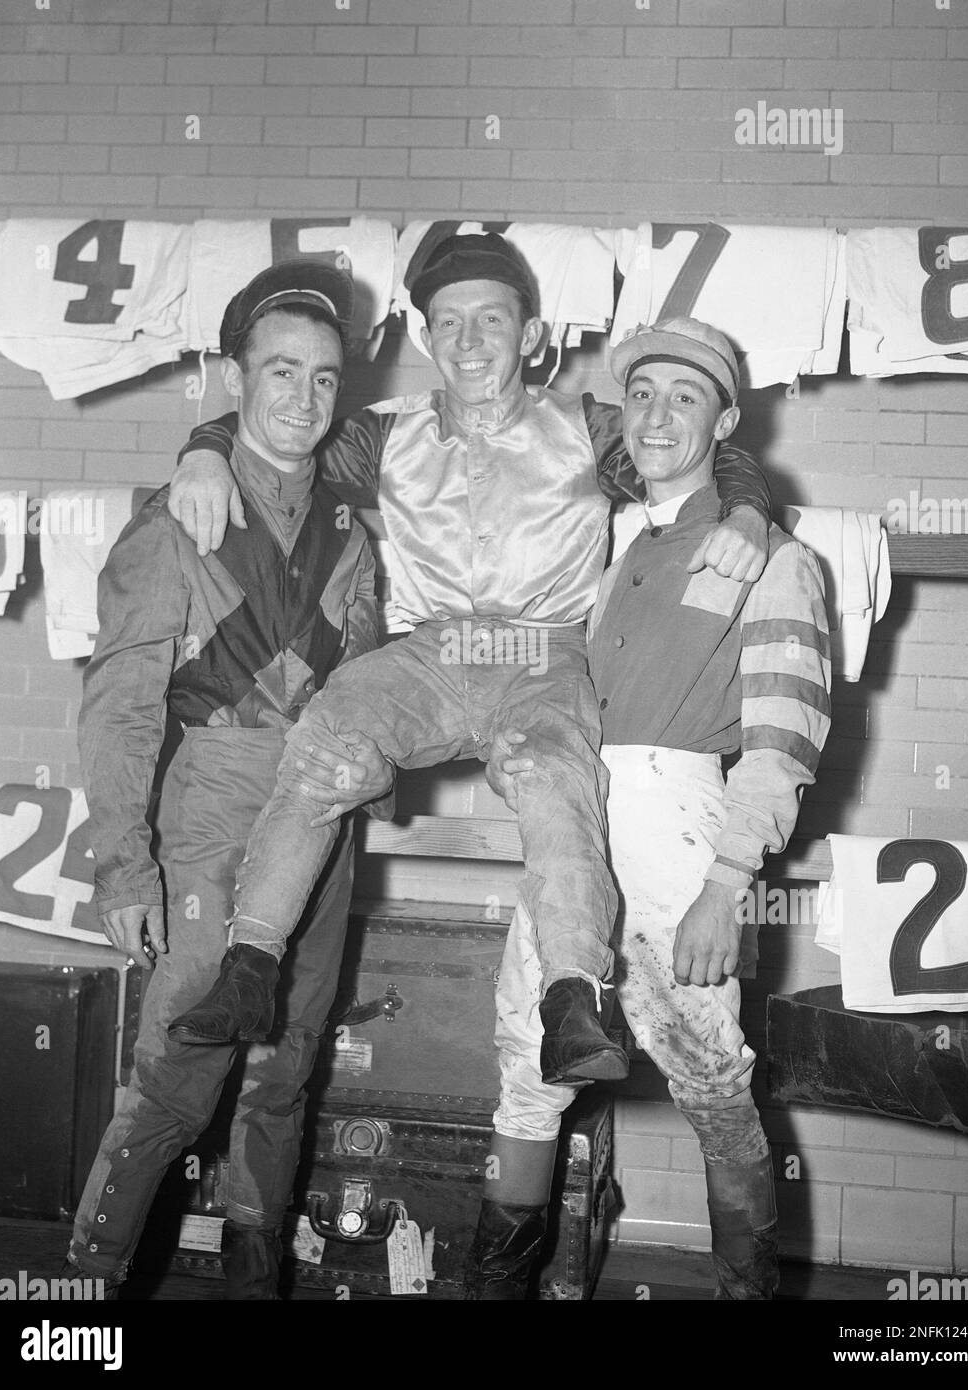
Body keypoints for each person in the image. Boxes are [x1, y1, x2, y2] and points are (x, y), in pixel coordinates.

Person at [163, 233, 774, 1087]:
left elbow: (699, 450)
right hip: (427, 653)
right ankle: (250, 968)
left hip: (541, 653)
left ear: (530, 335)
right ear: (424, 336)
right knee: (326, 736)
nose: (470, 339)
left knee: (557, 777)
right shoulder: (383, 435)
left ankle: (574, 999)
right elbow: (277, 436)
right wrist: (202, 444)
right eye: (448, 321)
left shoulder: (586, 426)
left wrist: (746, 510)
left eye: (492, 319)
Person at [474, 316, 832, 1300]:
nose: (658, 414)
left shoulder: (779, 559)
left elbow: (783, 743)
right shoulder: (617, 543)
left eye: (685, 396)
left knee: (715, 1084)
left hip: (684, 832)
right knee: (526, 1069)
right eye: (640, 395)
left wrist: (728, 883)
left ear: (725, 420)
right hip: (578, 828)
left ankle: (745, 1291)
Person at [63, 259, 393, 1301]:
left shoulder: (351, 522)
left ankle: (256, 1278)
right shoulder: (175, 522)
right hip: (211, 807)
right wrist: (124, 865)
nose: (302, 398)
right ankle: (83, 1302)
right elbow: (118, 704)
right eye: (280, 372)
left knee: (288, 1065)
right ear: (236, 380)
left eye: (325, 379)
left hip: (326, 821)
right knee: (176, 1072)